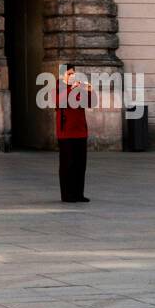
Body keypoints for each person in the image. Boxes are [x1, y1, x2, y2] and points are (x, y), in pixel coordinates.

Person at [53, 64, 92, 204]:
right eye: (69, 74)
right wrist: (71, 88)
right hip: (66, 134)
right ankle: (67, 195)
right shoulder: (58, 88)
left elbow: (90, 103)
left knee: (80, 165)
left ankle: (78, 194)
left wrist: (89, 91)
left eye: (73, 74)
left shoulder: (78, 88)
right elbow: (57, 102)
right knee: (67, 165)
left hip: (80, 132)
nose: (72, 76)